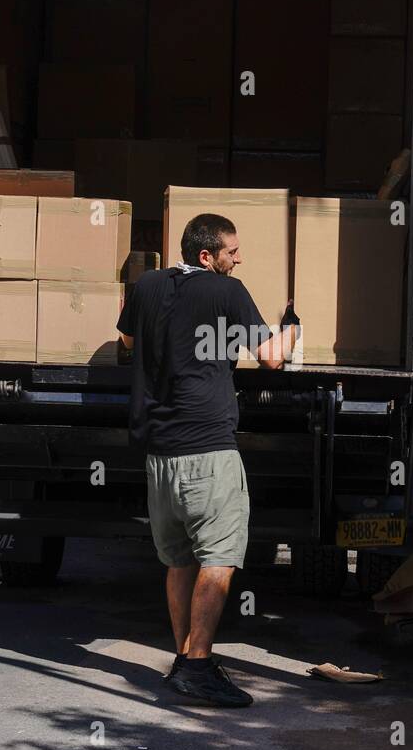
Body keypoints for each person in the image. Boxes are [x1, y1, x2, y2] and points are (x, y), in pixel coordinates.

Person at [117, 213, 299, 707]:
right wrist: (291, 331)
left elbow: (128, 344)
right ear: (207, 256)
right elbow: (271, 358)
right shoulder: (227, 292)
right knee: (218, 559)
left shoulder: (147, 286)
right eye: (232, 251)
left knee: (178, 562)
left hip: (159, 457)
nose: (238, 258)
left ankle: (185, 658)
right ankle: (196, 665)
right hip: (209, 452)